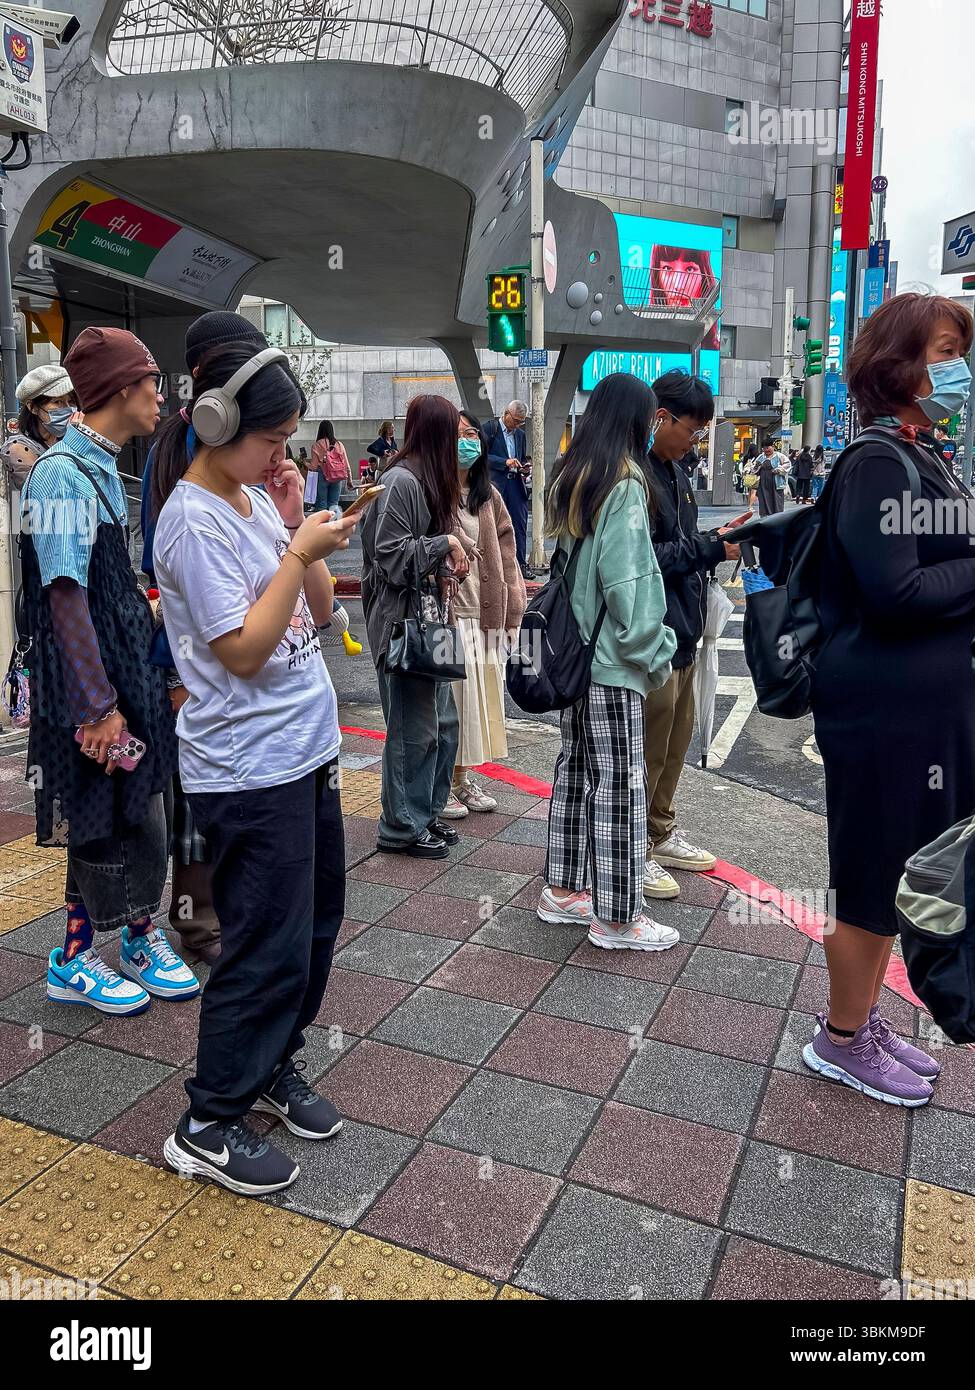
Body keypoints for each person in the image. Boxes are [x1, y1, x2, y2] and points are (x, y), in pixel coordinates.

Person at [152, 342, 359, 1194]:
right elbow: (239, 650)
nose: (284, 456)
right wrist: (295, 552)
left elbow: (313, 609)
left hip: (303, 751)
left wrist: (293, 525)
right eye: (271, 440)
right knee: (262, 949)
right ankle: (206, 1121)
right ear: (215, 423)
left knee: (312, 932)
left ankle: (272, 1065)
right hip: (246, 769)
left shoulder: (248, 499)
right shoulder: (189, 519)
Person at [806, 291, 975, 1107]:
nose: (958, 371)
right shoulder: (878, 459)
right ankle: (839, 1039)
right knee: (871, 875)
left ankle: (859, 1020)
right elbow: (894, 589)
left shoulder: (922, 453)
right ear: (895, 363)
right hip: (881, 709)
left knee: (895, 872)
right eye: (943, 353)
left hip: (918, 708)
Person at [23, 328, 195, 1017]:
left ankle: (134, 934)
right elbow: (64, 594)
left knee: (131, 807)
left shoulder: (99, 464)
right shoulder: (61, 472)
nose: (162, 396)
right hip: (94, 689)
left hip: (122, 678)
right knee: (102, 815)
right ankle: (74, 955)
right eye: (153, 382)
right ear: (122, 388)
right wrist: (96, 707)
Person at [142, 310, 269, 966]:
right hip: (196, 661)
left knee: (218, 793)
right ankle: (197, 923)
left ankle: (213, 913)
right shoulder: (188, 448)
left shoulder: (224, 440)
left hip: (219, 655)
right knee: (200, 796)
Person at [537, 373, 679, 951]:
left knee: (575, 770)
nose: (652, 427)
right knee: (621, 783)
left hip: (572, 655)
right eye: (649, 418)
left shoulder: (573, 475)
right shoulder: (623, 483)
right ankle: (618, 916)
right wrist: (655, 647)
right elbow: (629, 581)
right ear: (633, 420)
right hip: (612, 659)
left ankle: (564, 889)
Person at [642, 370, 744, 899]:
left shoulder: (676, 471)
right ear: (661, 416)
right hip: (651, 633)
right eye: (693, 427)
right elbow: (644, 559)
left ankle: (660, 829)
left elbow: (682, 543)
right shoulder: (635, 475)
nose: (696, 438)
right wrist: (710, 550)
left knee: (677, 741)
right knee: (650, 747)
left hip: (684, 626)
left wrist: (716, 540)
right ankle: (634, 845)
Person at [360, 394, 472, 859]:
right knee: (413, 727)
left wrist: (447, 559)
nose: (464, 444)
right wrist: (443, 543)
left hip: (430, 620)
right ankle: (401, 826)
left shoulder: (426, 480)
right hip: (403, 624)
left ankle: (424, 812)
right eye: (457, 433)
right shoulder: (401, 482)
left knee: (443, 723)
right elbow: (390, 556)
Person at [439, 410, 526, 819]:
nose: (467, 441)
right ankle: (443, 785)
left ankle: (461, 781)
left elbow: (508, 556)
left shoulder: (488, 495)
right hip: (448, 615)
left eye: (472, 433)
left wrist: (513, 612)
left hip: (483, 611)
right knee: (450, 703)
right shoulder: (432, 492)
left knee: (475, 702)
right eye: (458, 435)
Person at [2, 365, 79, 485]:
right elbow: (49, 488)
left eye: (71, 401)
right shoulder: (17, 447)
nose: (68, 409)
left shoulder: (64, 440)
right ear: (32, 407)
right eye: (57, 402)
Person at [484, 400, 532, 579]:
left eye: (522, 421)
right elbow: (482, 456)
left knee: (519, 524)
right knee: (493, 525)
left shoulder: (520, 434)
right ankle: (495, 565)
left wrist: (523, 467)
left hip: (515, 483)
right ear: (506, 414)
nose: (518, 424)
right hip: (496, 484)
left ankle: (520, 564)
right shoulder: (490, 429)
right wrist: (504, 462)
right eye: (516, 420)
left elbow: (520, 458)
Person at [310, 419, 353, 514]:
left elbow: (313, 467)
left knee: (322, 503)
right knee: (334, 503)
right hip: (338, 476)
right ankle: (334, 527)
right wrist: (350, 480)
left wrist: (304, 462)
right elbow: (346, 464)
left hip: (322, 475)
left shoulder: (317, 445)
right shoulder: (339, 444)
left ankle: (322, 527)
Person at [756, 441, 789, 516]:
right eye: (764, 448)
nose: (766, 450)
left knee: (776, 500)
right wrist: (756, 467)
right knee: (763, 500)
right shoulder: (761, 457)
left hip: (776, 482)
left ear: (773, 447)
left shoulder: (779, 456)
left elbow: (787, 464)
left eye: (767, 448)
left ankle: (777, 517)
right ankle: (764, 516)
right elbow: (754, 466)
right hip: (763, 483)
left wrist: (778, 469)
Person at [741, 441, 761, 508]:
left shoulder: (746, 457)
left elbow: (743, 466)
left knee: (749, 491)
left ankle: (749, 504)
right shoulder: (758, 456)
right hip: (755, 475)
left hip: (748, 476)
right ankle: (750, 506)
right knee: (754, 491)